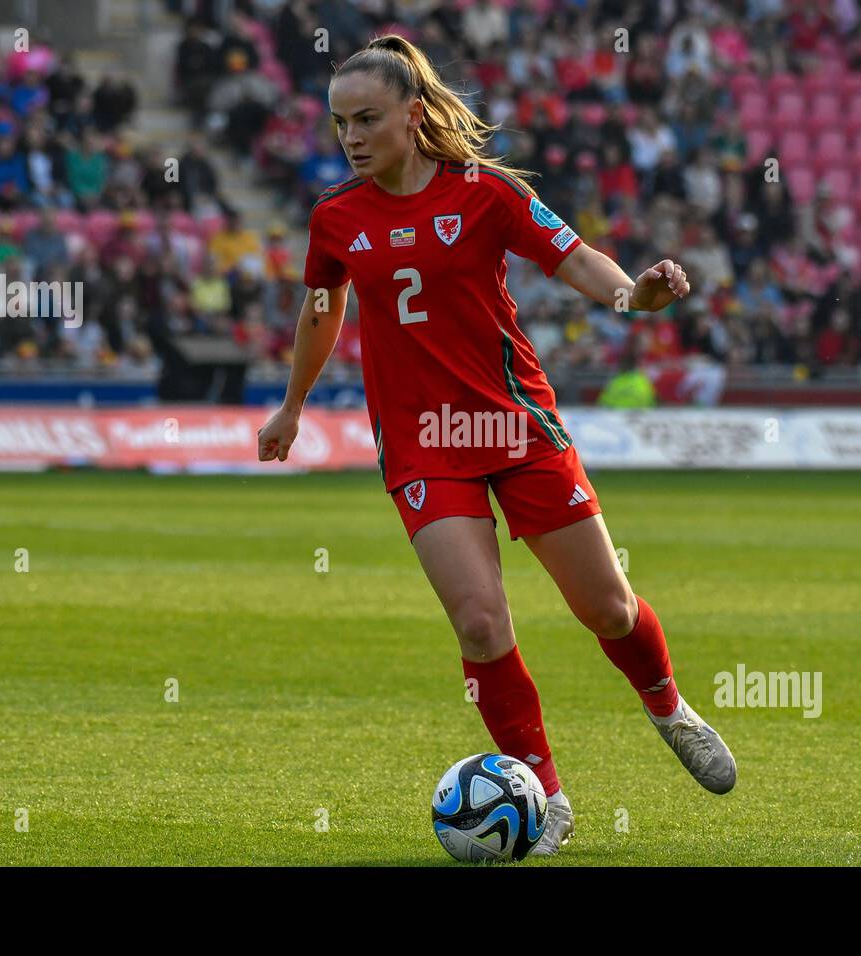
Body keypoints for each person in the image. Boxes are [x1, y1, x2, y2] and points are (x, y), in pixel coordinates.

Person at [257, 35, 736, 857]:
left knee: (608, 609)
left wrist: (633, 297)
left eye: (368, 119)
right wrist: (292, 405)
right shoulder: (336, 217)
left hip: (512, 425)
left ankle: (668, 707)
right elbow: (321, 311)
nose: (353, 138)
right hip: (421, 446)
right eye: (340, 124)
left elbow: (573, 257)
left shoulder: (487, 194)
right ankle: (544, 795)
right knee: (480, 625)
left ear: (414, 115)